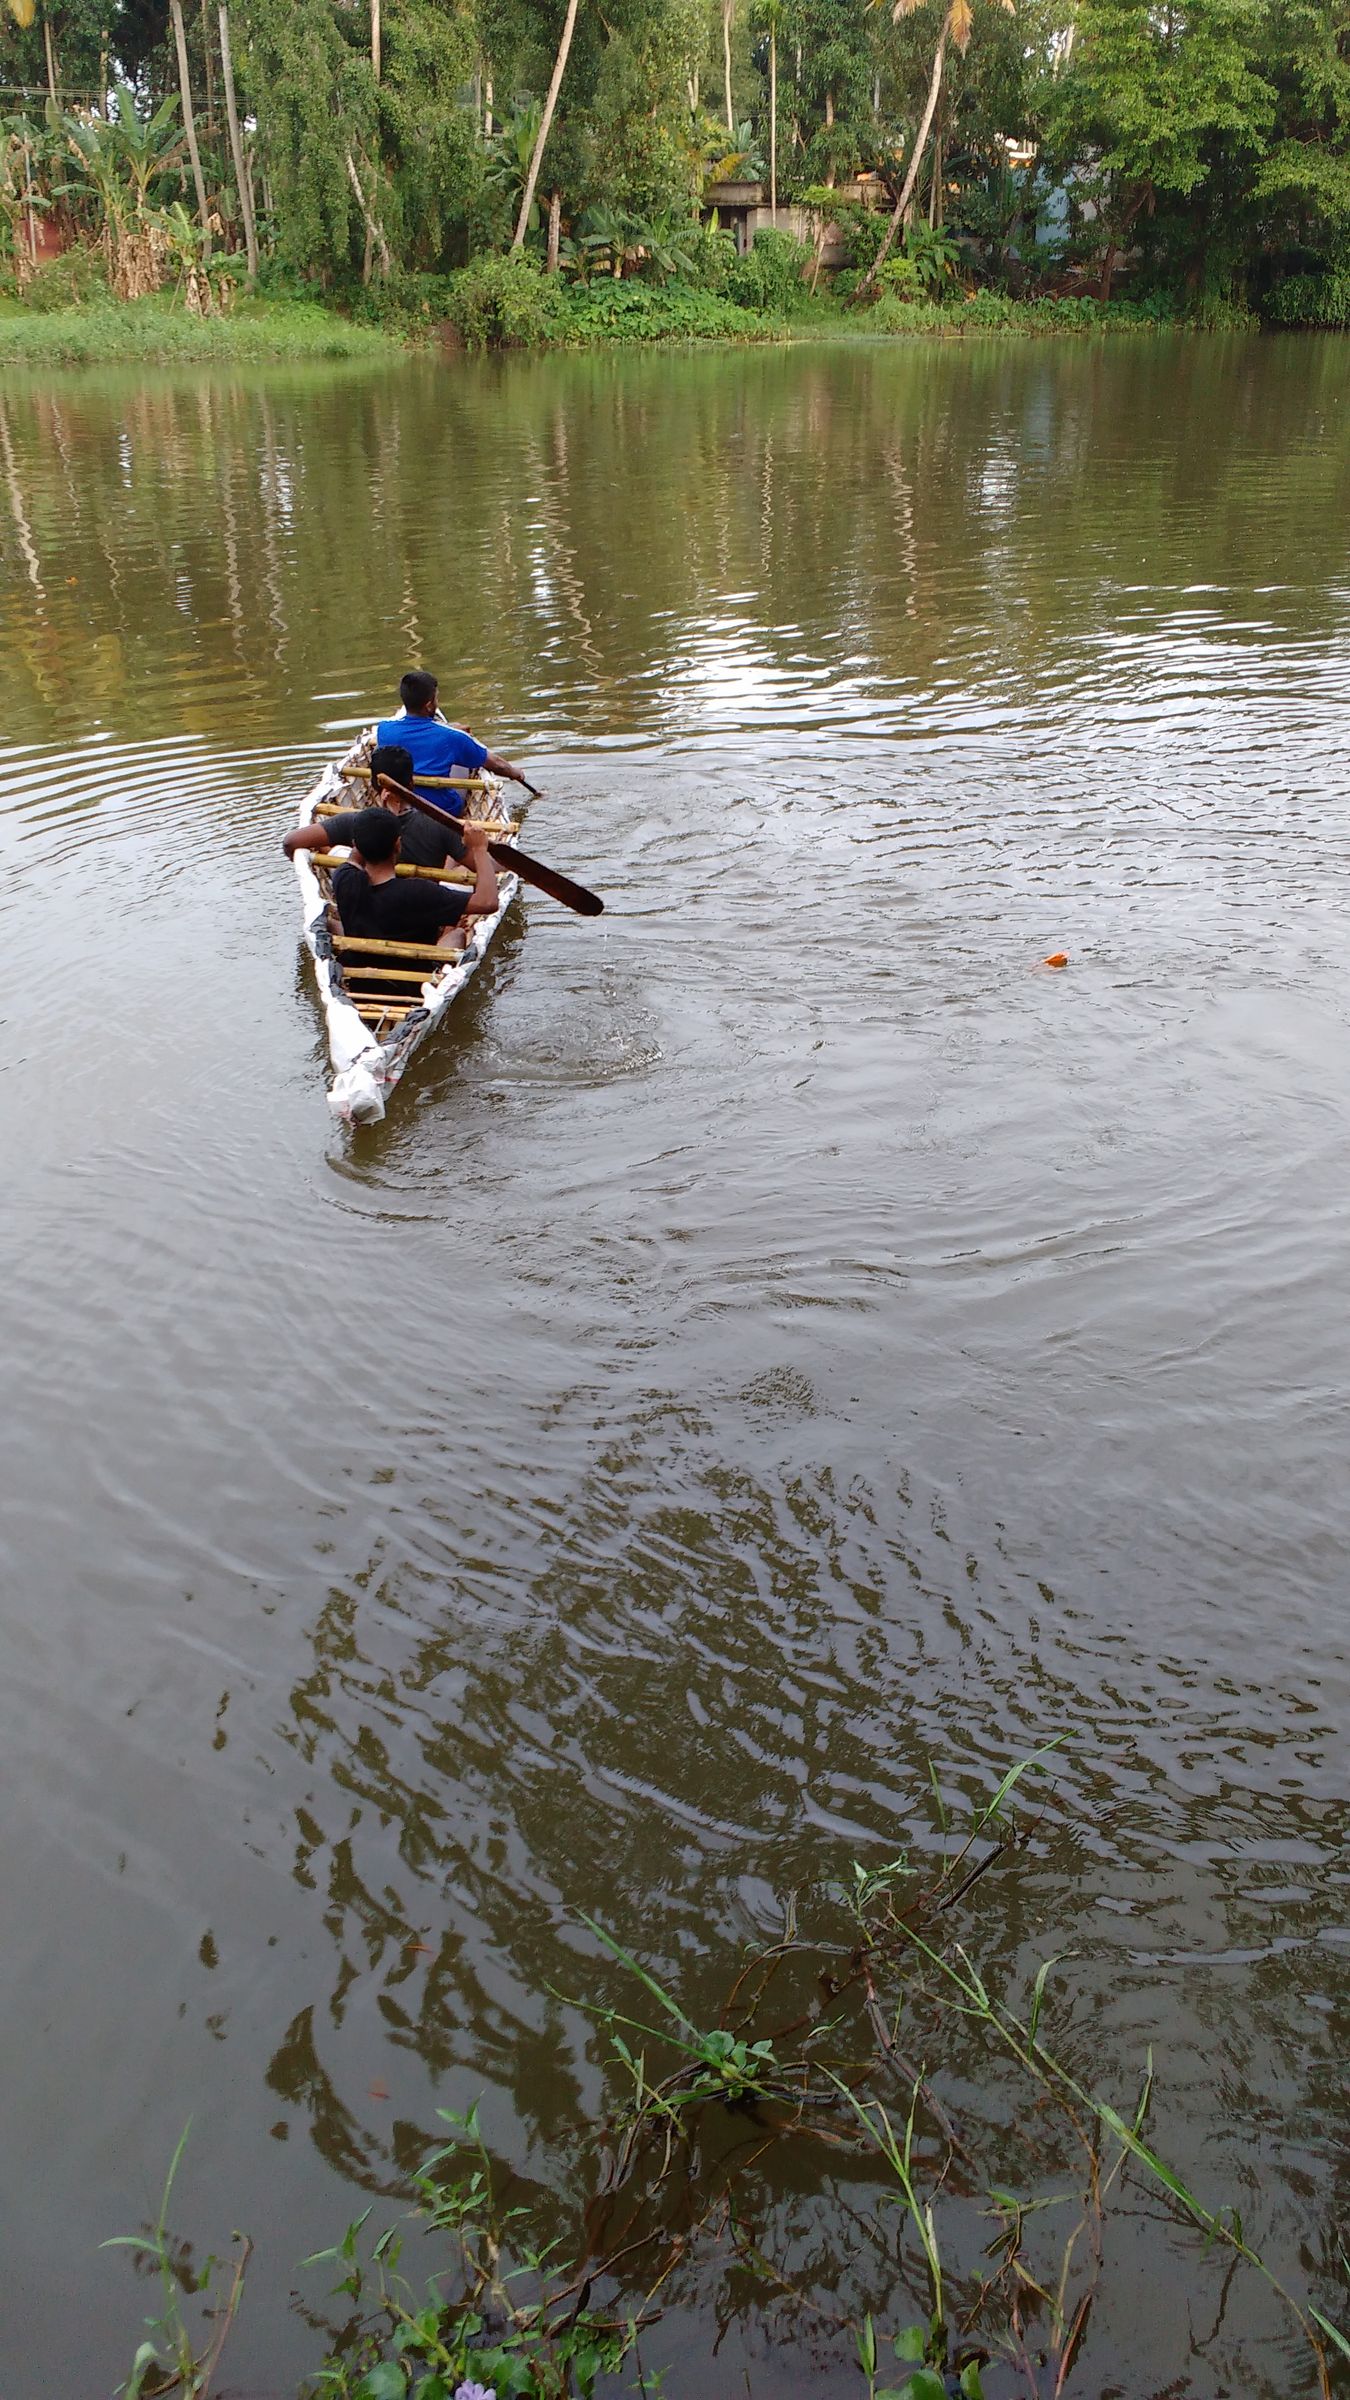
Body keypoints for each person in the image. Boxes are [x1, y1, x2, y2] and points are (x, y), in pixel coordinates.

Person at [327, 807, 499, 951]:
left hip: (360, 980)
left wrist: (369, 833)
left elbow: (355, 857)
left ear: (355, 844)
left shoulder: (344, 878)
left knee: (333, 924)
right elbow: (488, 902)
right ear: (398, 844)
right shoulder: (418, 892)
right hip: (418, 982)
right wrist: (479, 849)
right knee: (458, 934)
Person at [379, 668, 538, 817]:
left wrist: (449, 728)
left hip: (399, 802)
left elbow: (420, 730)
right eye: (436, 699)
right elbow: (496, 764)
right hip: (442, 808)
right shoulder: (452, 737)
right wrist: (515, 773)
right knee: (463, 760)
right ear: (428, 705)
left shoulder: (384, 730)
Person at [282, 742, 468, 870]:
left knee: (338, 853)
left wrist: (326, 854)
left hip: (369, 913)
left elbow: (291, 842)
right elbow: (486, 866)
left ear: (372, 785)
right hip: (425, 913)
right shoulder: (440, 825)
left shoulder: (352, 823)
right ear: (411, 784)